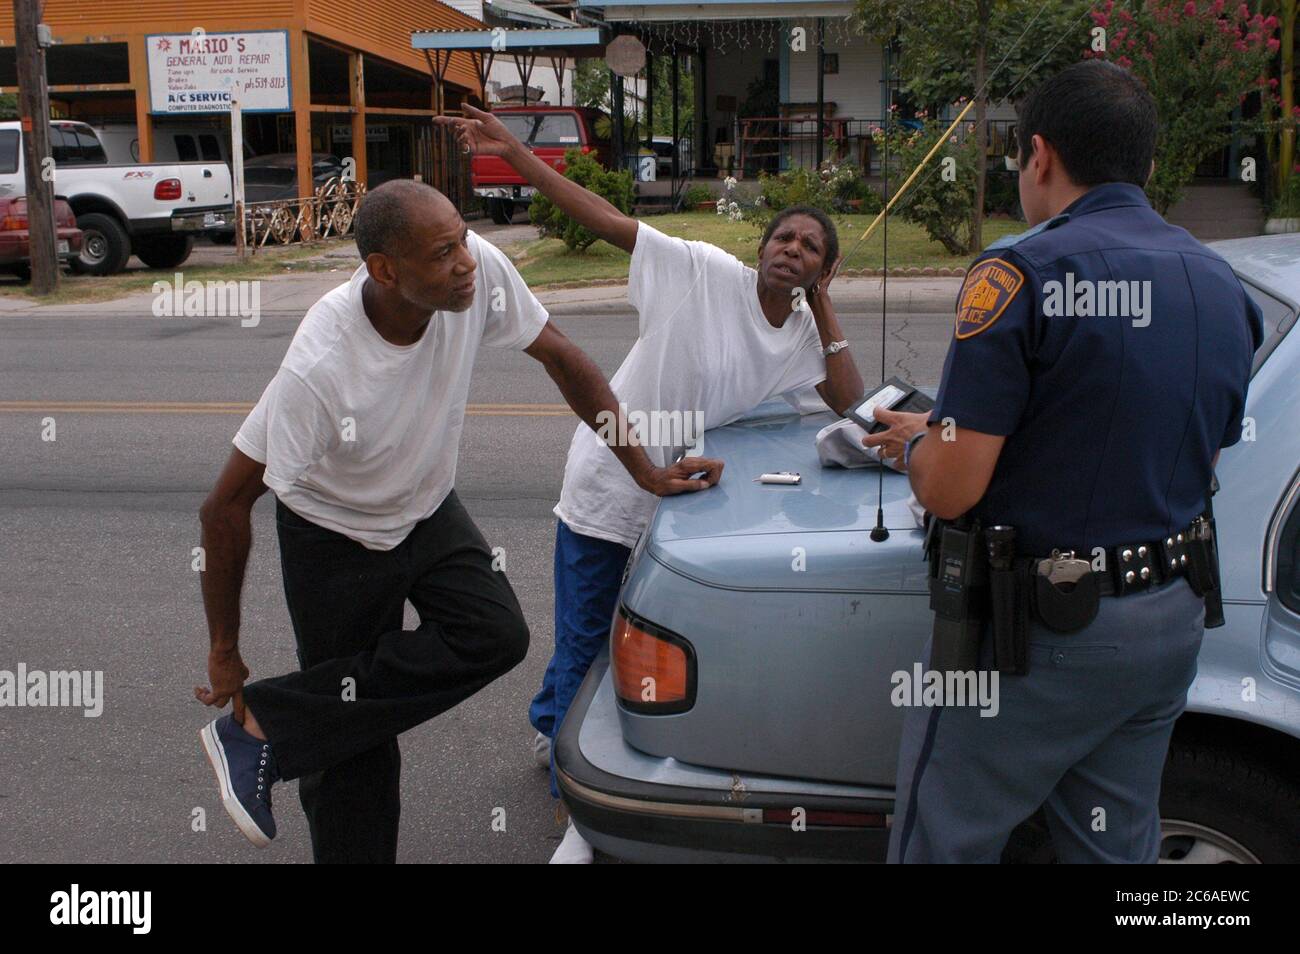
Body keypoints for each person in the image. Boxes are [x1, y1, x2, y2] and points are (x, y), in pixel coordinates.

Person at [194, 179, 721, 863]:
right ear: (387, 270)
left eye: (463, 239)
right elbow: (226, 505)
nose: (467, 260)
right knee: (356, 740)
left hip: (426, 505)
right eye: (443, 252)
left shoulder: (476, 276)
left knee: (494, 633)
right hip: (334, 534)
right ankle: (289, 752)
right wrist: (224, 649)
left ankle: (269, 723)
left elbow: (561, 355)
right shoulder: (322, 367)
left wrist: (643, 469)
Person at [437, 104, 864, 863]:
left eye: (810, 248)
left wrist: (823, 302)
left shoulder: (800, 331)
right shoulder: (701, 271)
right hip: (612, 483)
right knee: (586, 643)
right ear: (762, 246)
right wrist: (517, 155)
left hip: (679, 508)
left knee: (606, 632)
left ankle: (548, 722)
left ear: (821, 269)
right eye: (783, 236)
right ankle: (577, 816)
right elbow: (603, 218)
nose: (790, 249)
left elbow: (850, 401)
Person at [864, 60, 1263, 863]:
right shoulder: (1222, 284)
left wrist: (921, 442)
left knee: (943, 839)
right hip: (1169, 619)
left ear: (1037, 154)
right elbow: (1191, 447)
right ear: (1145, 164)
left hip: (1036, 640)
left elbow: (950, 490)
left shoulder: (1019, 276)